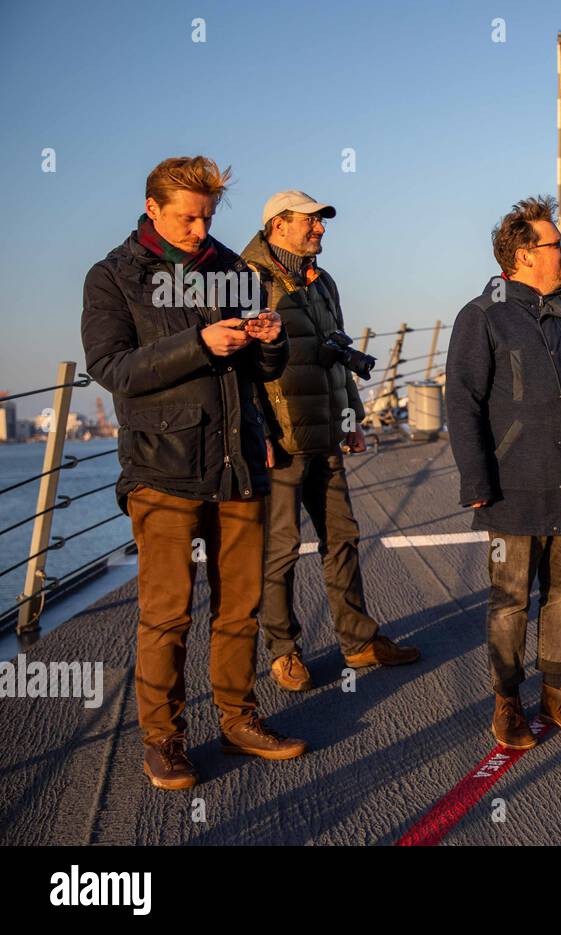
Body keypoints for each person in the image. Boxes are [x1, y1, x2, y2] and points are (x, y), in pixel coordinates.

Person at [81, 156, 307, 790]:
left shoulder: (235, 270)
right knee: (167, 614)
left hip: (238, 462)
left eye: (208, 216)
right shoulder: (112, 276)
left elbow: (265, 372)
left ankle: (239, 722)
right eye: (187, 217)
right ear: (152, 208)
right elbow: (113, 368)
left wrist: (269, 340)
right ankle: (165, 741)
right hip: (162, 467)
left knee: (241, 607)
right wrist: (200, 345)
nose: (199, 229)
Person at [445, 195, 561, 750]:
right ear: (522, 255)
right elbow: (462, 401)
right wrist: (476, 482)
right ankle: (506, 701)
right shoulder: (484, 314)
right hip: (512, 481)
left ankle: (557, 691)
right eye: (555, 244)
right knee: (511, 598)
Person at [242, 191, 419, 691]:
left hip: (324, 433)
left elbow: (337, 353)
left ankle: (358, 640)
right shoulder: (248, 280)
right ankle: (283, 650)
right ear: (278, 226)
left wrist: (352, 417)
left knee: (342, 536)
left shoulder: (323, 282)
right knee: (280, 548)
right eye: (311, 223)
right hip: (281, 437)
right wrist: (258, 433)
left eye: (321, 223)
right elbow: (241, 368)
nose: (320, 230)